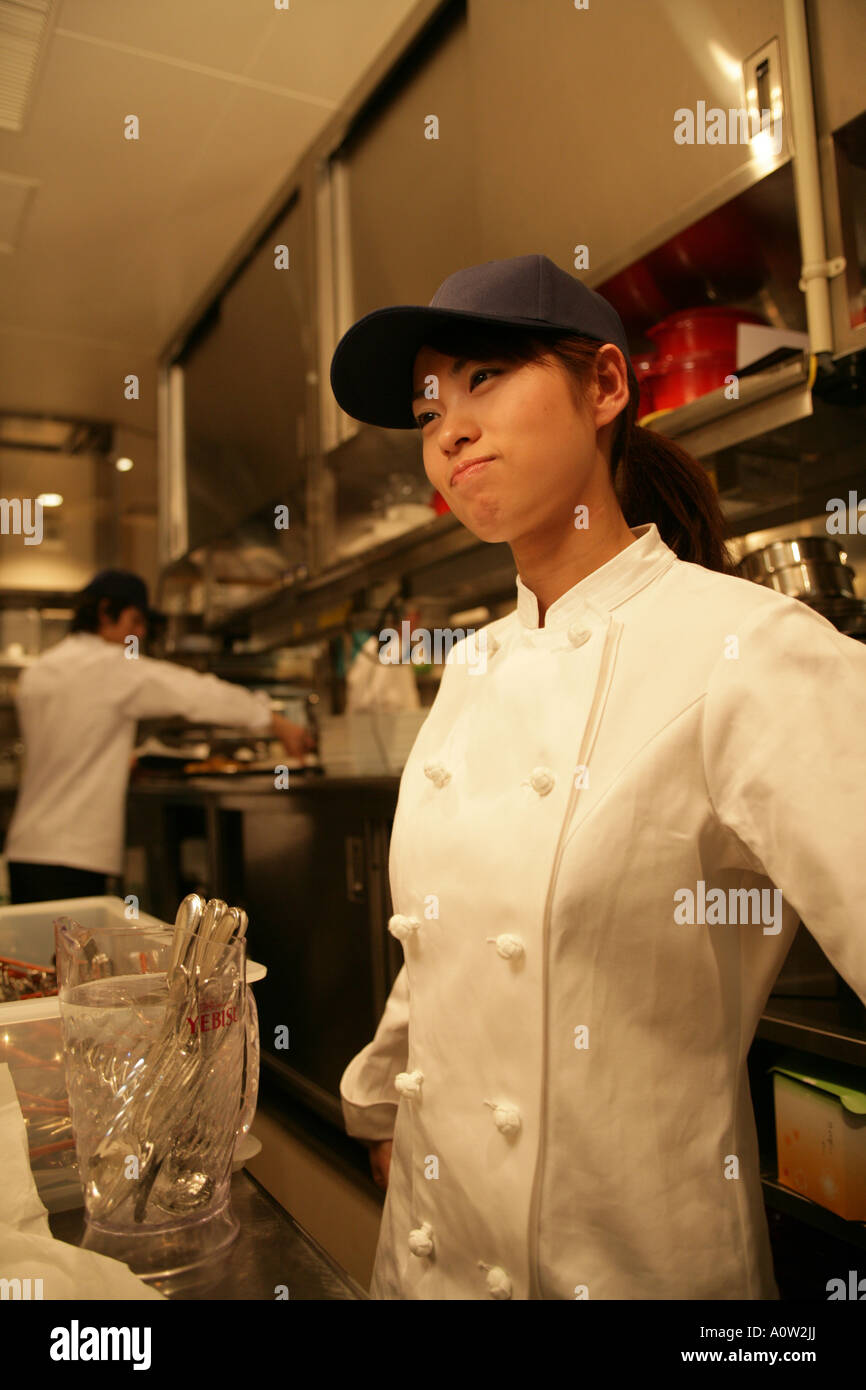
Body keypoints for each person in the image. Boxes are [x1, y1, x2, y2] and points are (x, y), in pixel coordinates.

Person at [328, 254, 866, 1300]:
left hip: (633, 1263)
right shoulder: (470, 667)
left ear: (606, 388)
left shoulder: (748, 649)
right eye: (428, 404)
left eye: (483, 377)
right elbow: (438, 942)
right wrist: (389, 1104)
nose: (447, 428)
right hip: (425, 1252)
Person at [4, 569, 314, 903]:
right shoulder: (112, 667)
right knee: (71, 956)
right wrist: (276, 722)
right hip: (73, 855)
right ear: (105, 611)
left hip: (25, 850)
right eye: (135, 621)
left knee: (37, 955)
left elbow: (69, 743)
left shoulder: (38, 672)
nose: (139, 634)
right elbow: (197, 694)